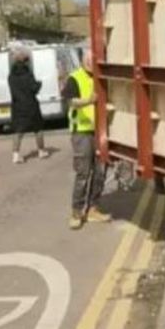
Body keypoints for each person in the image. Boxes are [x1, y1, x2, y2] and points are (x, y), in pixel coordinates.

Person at [62, 52, 112, 230]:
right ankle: (76, 212)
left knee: (100, 172)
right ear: (83, 61)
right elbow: (70, 102)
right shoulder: (75, 78)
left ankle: (93, 209)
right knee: (83, 173)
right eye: (89, 60)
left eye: (94, 59)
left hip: (100, 132)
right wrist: (88, 101)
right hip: (82, 132)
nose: (91, 62)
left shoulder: (102, 77)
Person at [8, 49, 49, 164]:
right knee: (38, 128)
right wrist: (39, 84)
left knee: (18, 131)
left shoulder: (11, 76)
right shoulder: (27, 74)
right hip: (31, 105)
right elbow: (34, 89)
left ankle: (15, 155)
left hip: (17, 106)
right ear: (26, 62)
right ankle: (41, 151)